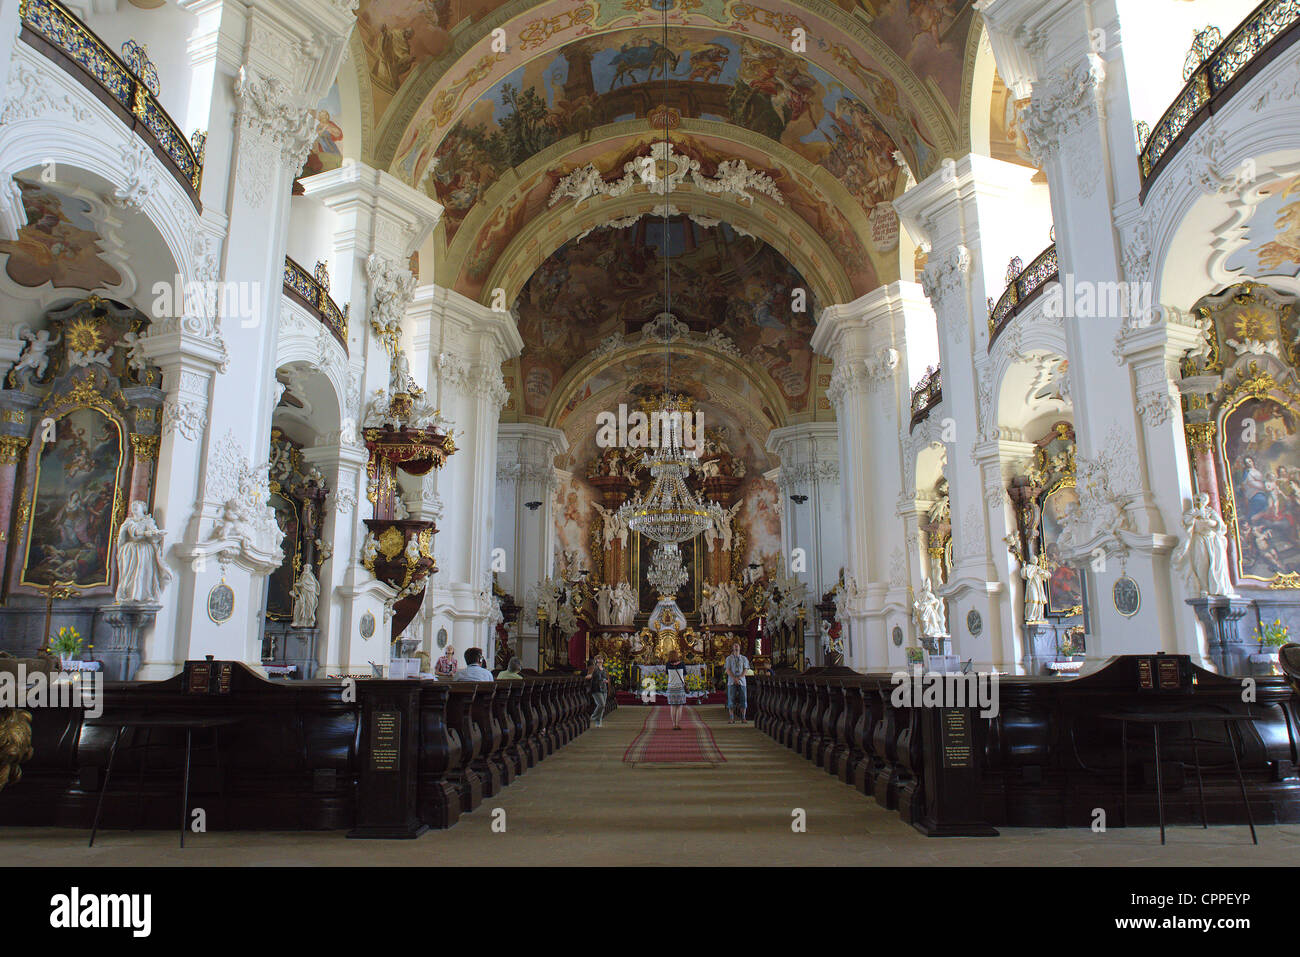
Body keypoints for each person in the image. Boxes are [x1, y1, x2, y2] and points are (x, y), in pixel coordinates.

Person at [723, 642, 750, 725]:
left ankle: (743, 717)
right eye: (734, 646)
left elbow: (746, 669)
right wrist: (734, 678)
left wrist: (739, 678)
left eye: (737, 646)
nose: (736, 647)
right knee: (731, 699)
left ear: (740, 648)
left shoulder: (744, 658)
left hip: (742, 682)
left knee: (743, 699)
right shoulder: (729, 659)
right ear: (732, 648)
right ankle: (731, 718)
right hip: (732, 681)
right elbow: (727, 670)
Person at [665, 653, 687, 730]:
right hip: (680, 687)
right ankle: (677, 724)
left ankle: (674, 724)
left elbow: (667, 674)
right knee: (679, 707)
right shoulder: (682, 664)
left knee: (673, 706)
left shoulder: (668, 664)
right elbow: (684, 675)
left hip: (671, 687)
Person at [587, 654, 608, 728]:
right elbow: (589, 675)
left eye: (601, 659)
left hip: (604, 688)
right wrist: (589, 676)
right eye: (598, 659)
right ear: (596, 660)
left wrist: (606, 680)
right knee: (601, 704)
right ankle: (593, 716)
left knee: (603, 706)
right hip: (596, 688)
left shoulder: (604, 669)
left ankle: (598, 722)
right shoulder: (594, 668)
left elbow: (605, 677)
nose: (600, 660)